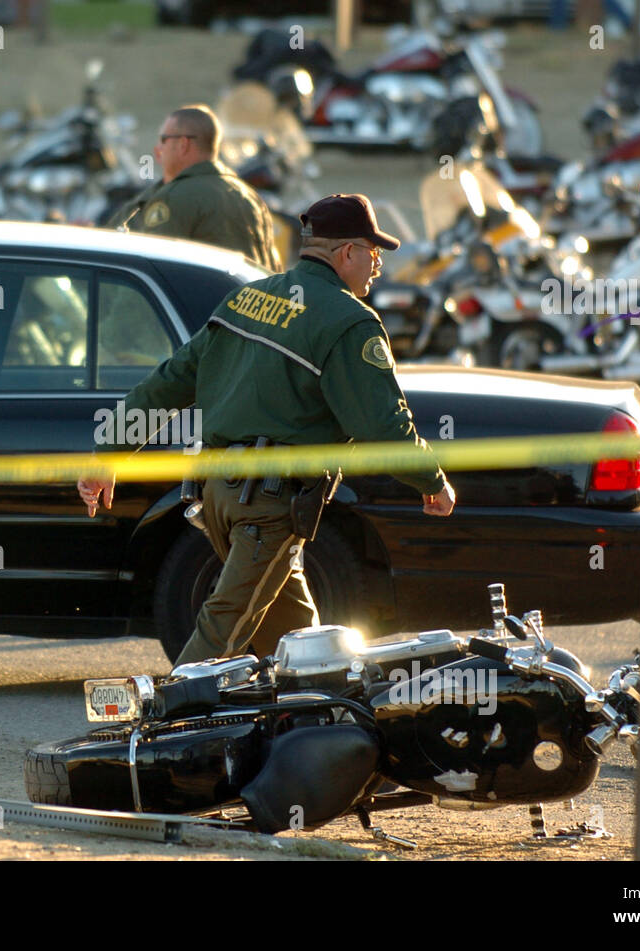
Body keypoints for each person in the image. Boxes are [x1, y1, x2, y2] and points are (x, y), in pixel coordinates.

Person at [79, 193, 456, 665]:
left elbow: (169, 382)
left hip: (216, 495)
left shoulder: (247, 297)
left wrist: (110, 451)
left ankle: (315, 701)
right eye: (373, 250)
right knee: (221, 633)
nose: (378, 263)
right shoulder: (349, 322)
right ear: (346, 252)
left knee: (299, 641)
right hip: (269, 507)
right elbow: (382, 426)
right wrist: (431, 480)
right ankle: (164, 710)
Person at [107, 104, 281, 271]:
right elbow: (273, 270)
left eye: (164, 139)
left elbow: (153, 268)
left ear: (183, 144)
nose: (158, 148)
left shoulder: (174, 197)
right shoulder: (250, 197)